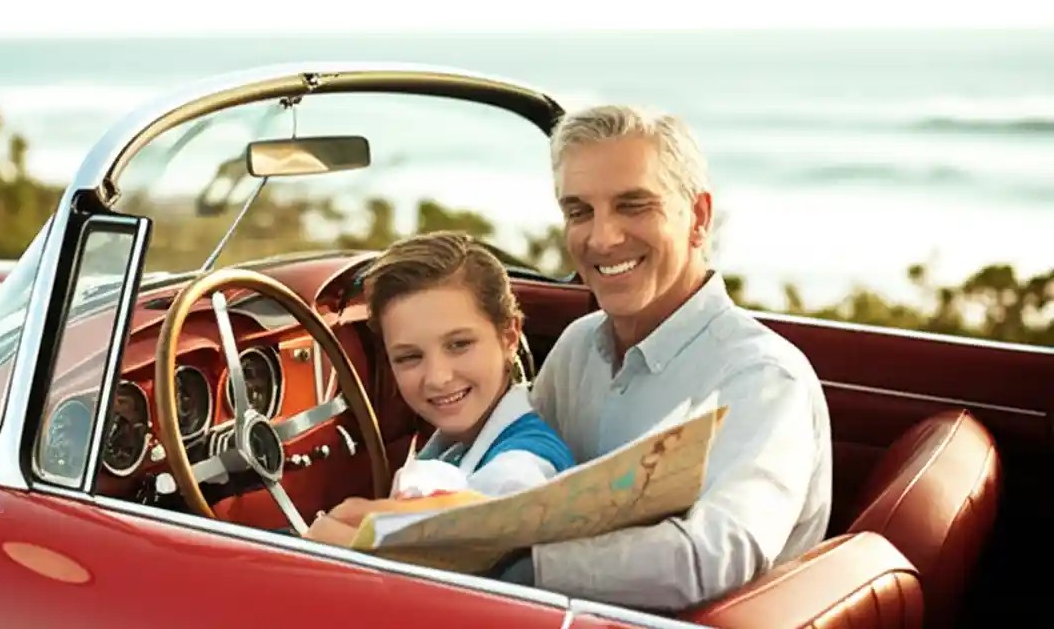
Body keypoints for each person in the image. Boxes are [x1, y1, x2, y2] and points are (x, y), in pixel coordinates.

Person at [497, 104, 832, 612]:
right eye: (579, 211)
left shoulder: (763, 377)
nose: (602, 238)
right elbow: (505, 460)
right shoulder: (576, 347)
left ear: (698, 217)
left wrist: (520, 566)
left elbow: (714, 554)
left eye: (633, 206)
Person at [304, 231, 576, 545]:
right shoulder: (457, 445)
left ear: (509, 336)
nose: (437, 377)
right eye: (409, 357)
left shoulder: (514, 476)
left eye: (459, 344)